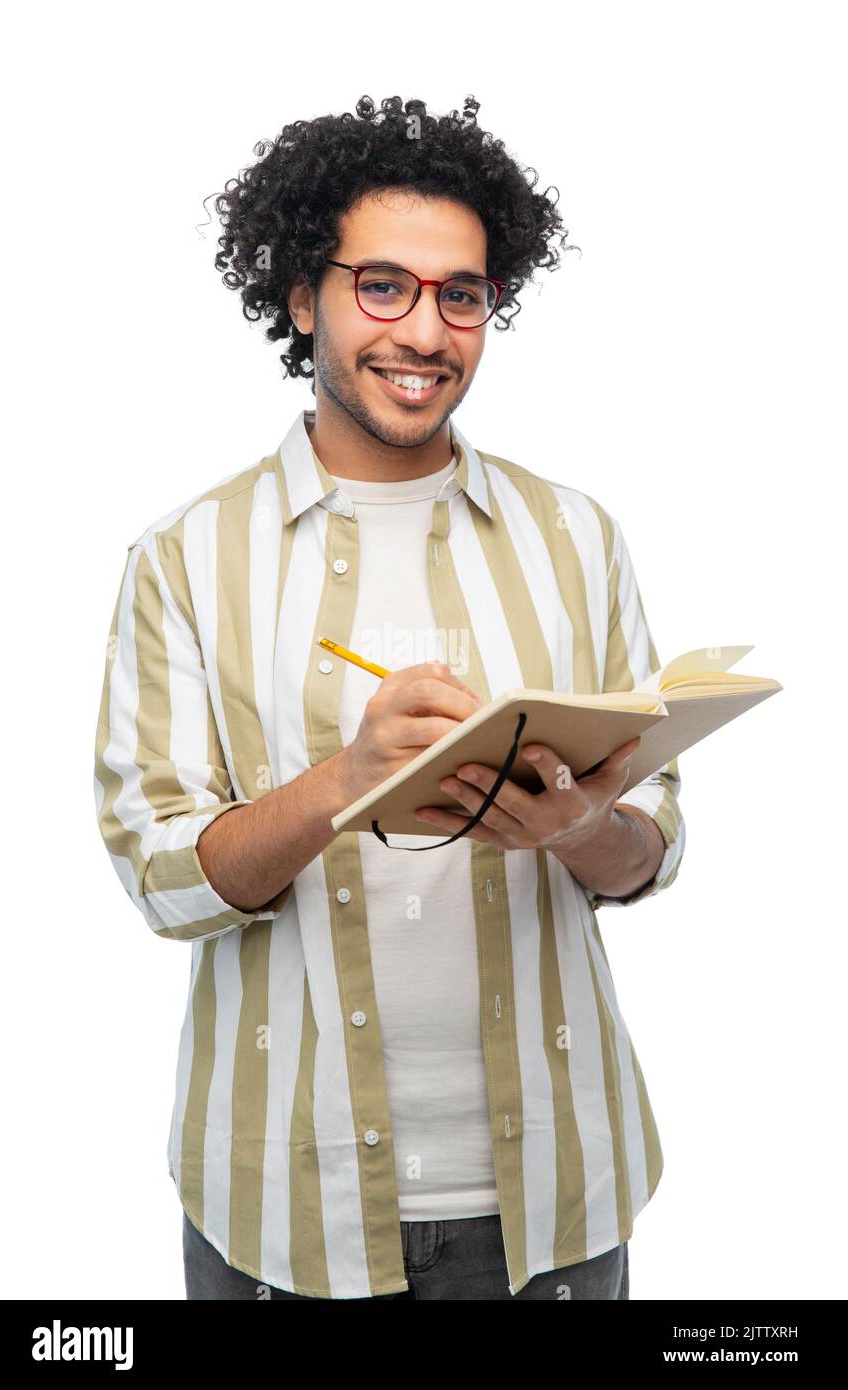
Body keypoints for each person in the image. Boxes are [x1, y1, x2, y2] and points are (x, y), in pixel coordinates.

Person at [94, 93, 685, 1301]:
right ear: (300, 295)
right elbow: (159, 875)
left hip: (553, 1212)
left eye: (458, 295)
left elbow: (651, 848)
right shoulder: (184, 559)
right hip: (281, 1214)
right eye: (382, 286)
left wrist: (582, 826)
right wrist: (346, 782)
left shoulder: (577, 538)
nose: (424, 330)